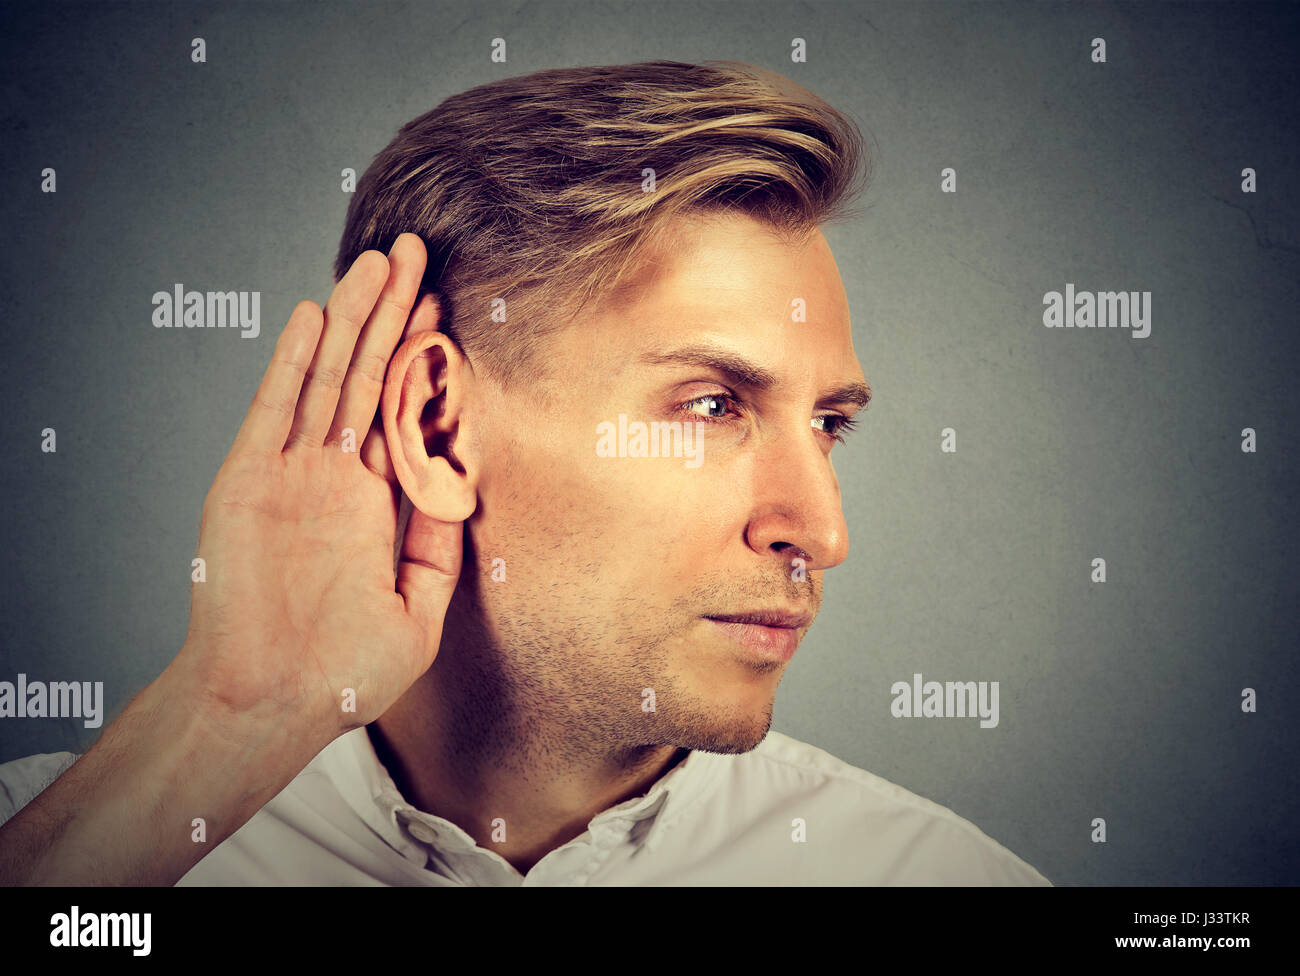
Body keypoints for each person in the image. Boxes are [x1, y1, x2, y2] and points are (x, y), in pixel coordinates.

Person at [0, 60, 1049, 886]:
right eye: (712, 406)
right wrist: (226, 722)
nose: (821, 533)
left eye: (828, 423)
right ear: (437, 423)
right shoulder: (70, 848)